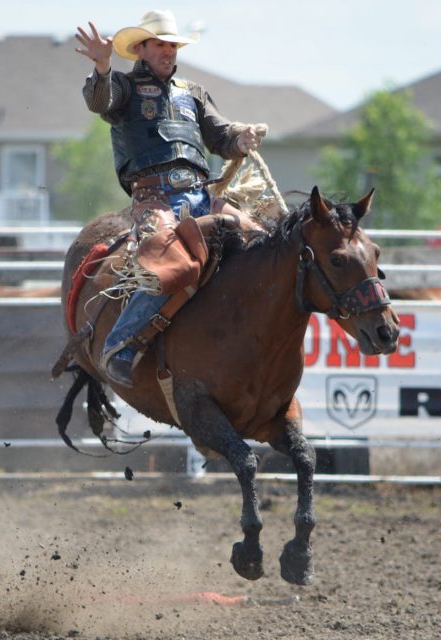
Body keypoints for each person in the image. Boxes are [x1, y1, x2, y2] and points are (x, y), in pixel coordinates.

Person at [75, 9, 264, 387]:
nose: (168, 51)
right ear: (141, 49)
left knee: (260, 238)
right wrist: (101, 65)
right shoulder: (124, 90)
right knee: (171, 261)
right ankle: (120, 345)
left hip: (202, 194)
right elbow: (100, 100)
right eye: (160, 44)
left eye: (173, 45)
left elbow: (220, 135)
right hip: (154, 199)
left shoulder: (192, 93)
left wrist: (240, 138)